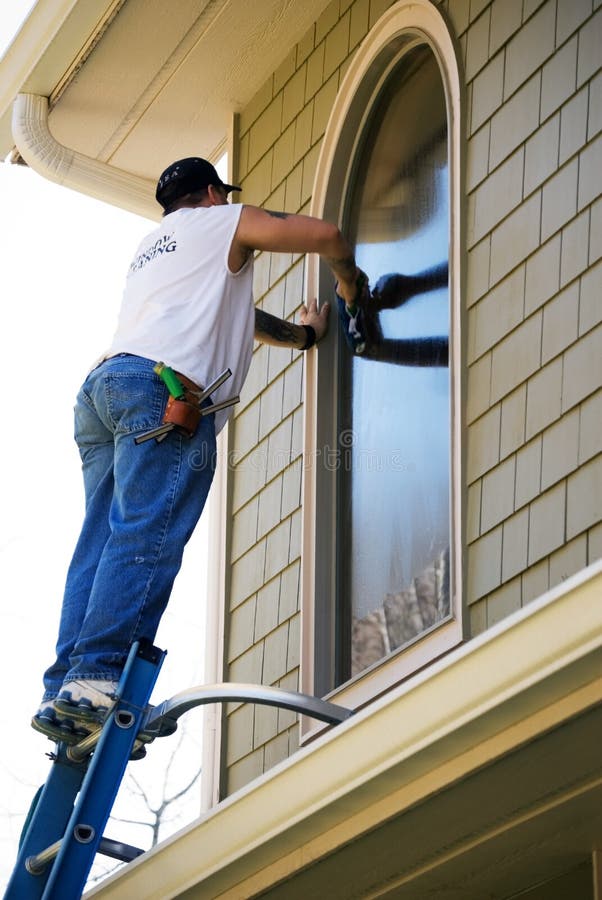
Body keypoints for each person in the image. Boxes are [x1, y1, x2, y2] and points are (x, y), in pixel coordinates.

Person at [32, 156, 367, 745]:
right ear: (213, 195)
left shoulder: (154, 245)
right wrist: (349, 286)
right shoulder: (221, 221)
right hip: (161, 395)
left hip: (105, 388)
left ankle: (66, 688)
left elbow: (236, 315)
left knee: (103, 540)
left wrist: (302, 336)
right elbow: (328, 235)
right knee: (145, 535)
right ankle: (96, 678)